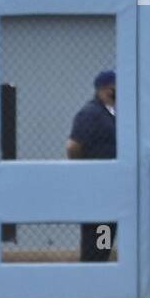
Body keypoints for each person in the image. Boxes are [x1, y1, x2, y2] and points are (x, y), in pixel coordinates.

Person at [66, 70, 117, 263]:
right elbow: (73, 146)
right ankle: (93, 269)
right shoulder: (91, 114)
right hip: (97, 187)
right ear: (107, 88)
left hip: (108, 187)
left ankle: (100, 265)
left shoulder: (109, 114)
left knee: (105, 232)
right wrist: (85, 171)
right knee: (97, 233)